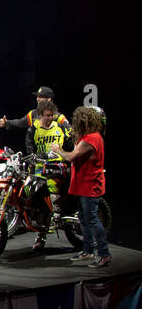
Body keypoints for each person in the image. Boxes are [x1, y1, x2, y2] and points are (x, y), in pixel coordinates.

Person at [60, 106, 109, 267]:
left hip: (90, 185)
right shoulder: (87, 137)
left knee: (92, 220)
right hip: (83, 185)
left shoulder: (91, 139)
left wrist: (58, 150)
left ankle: (104, 254)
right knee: (83, 219)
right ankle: (88, 250)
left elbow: (72, 156)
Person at [24, 101, 70, 251]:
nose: (50, 118)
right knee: (27, 192)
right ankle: (37, 223)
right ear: (40, 116)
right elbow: (30, 150)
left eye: (52, 115)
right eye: (47, 116)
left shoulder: (60, 128)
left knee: (51, 185)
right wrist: (39, 156)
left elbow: (70, 143)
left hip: (57, 166)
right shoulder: (33, 129)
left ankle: (56, 215)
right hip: (39, 167)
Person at [0, 86, 71, 136]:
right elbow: (19, 123)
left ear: (49, 99)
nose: (37, 99)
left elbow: (70, 131)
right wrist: (7, 122)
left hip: (55, 155)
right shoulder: (33, 114)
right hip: (38, 155)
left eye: (40, 97)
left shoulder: (58, 116)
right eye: (37, 96)